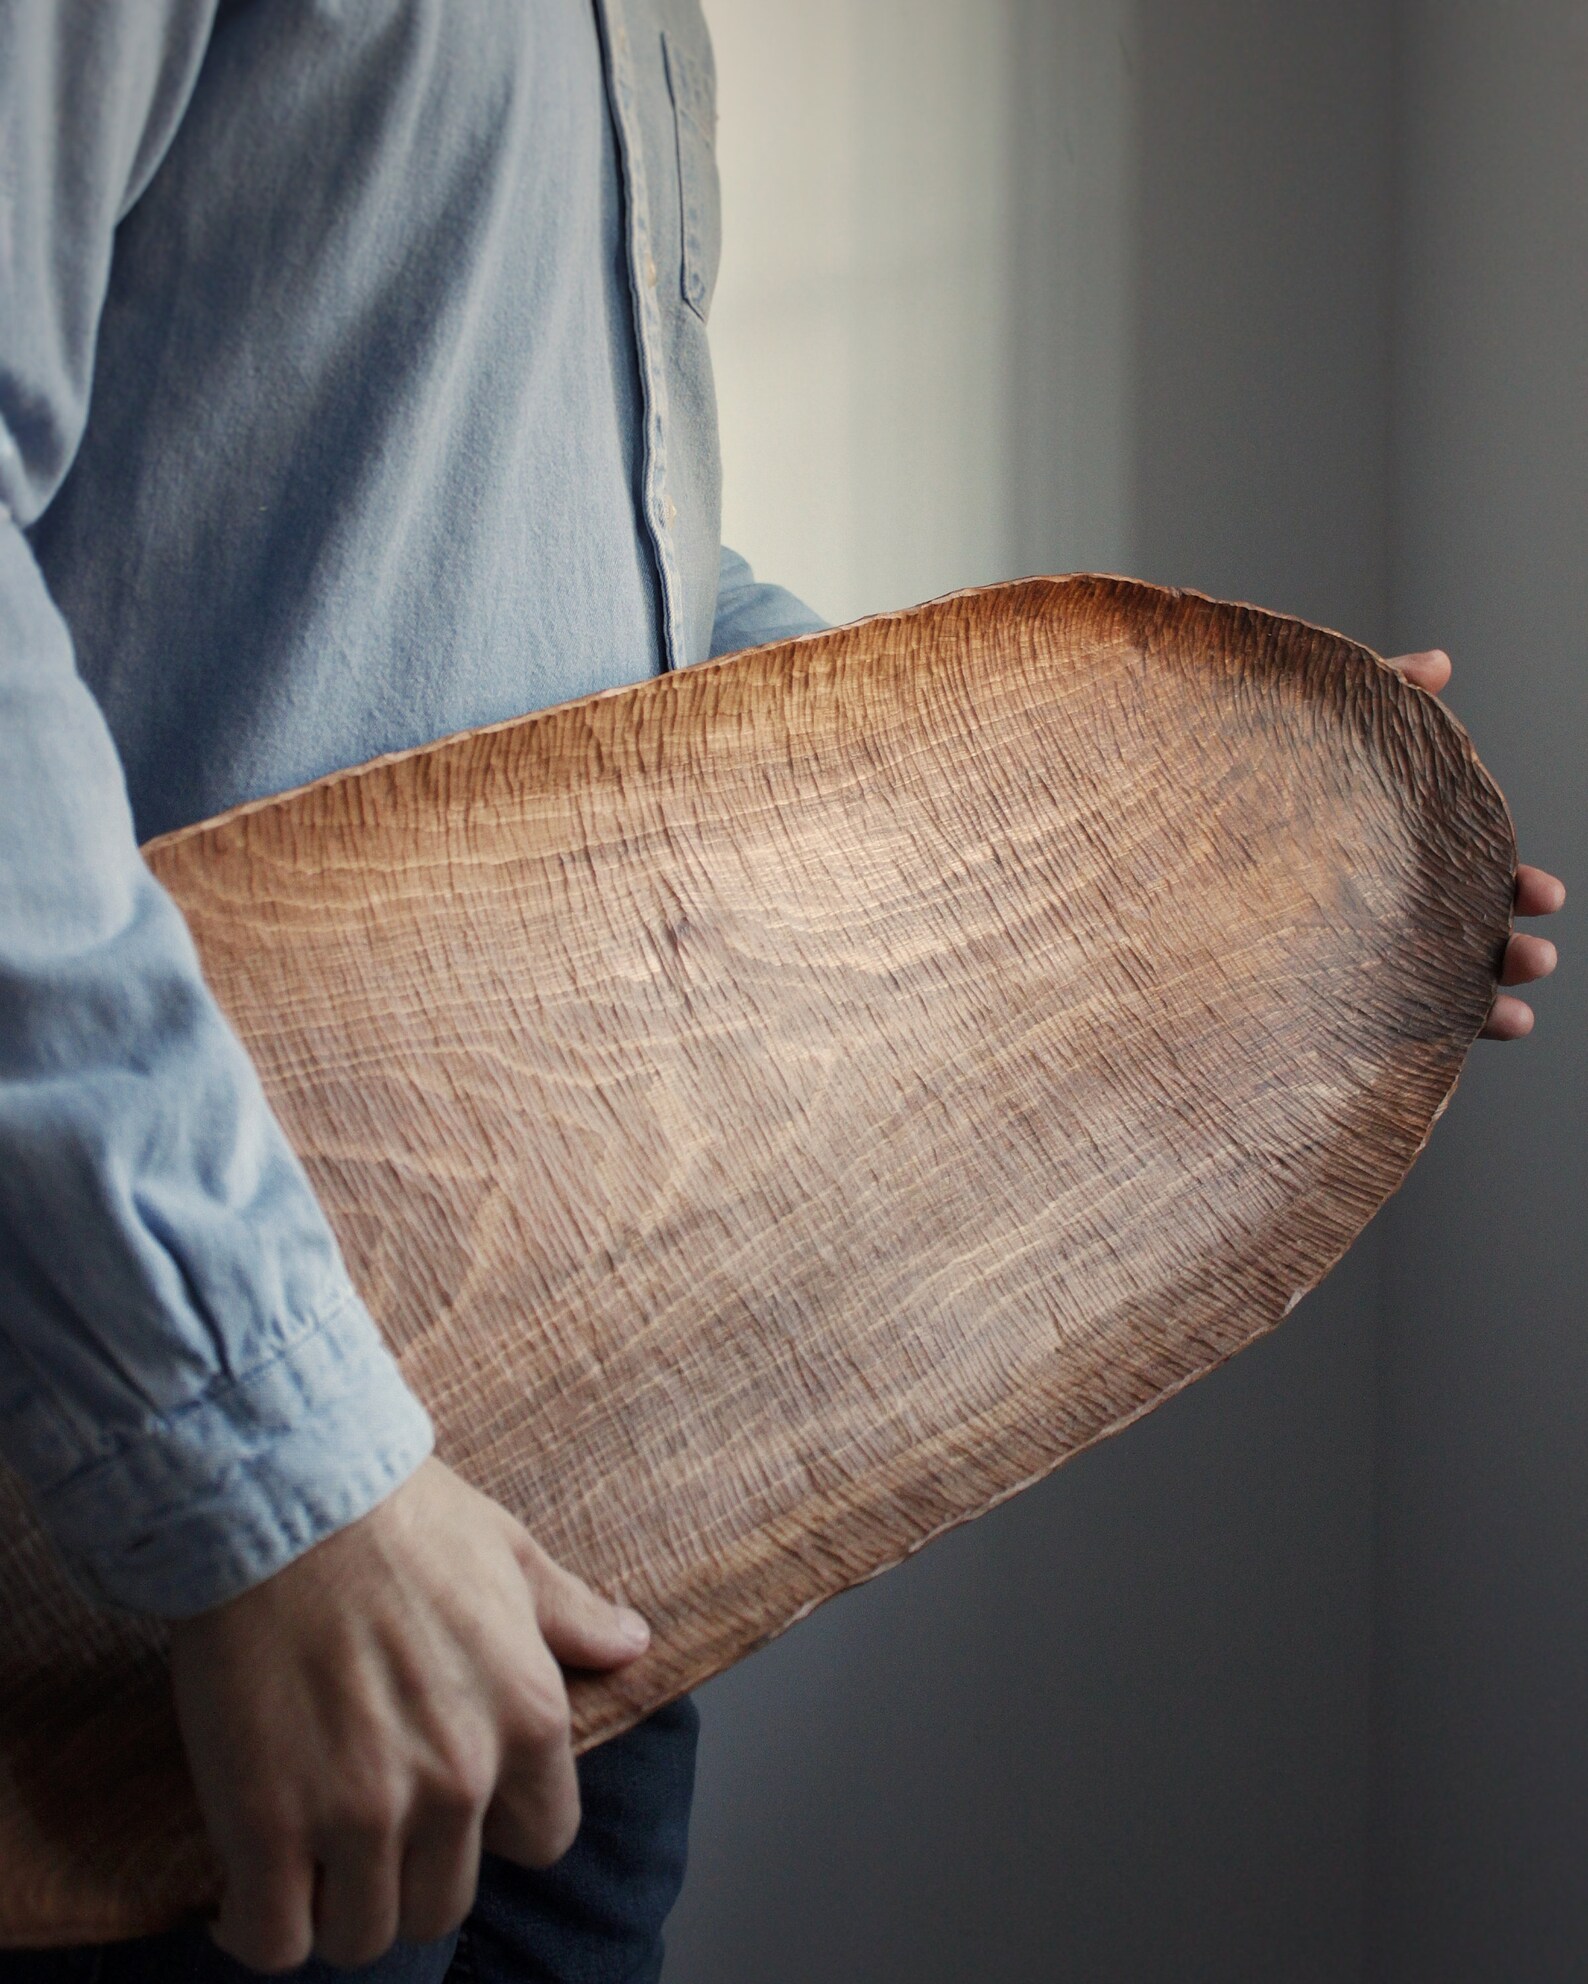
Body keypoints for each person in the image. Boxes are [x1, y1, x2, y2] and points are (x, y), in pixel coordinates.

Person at [0, 3, 1563, 1980]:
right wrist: (279, 1480)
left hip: (579, 1521)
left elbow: (561, 573)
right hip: (177, 1585)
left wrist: (1113, 829)